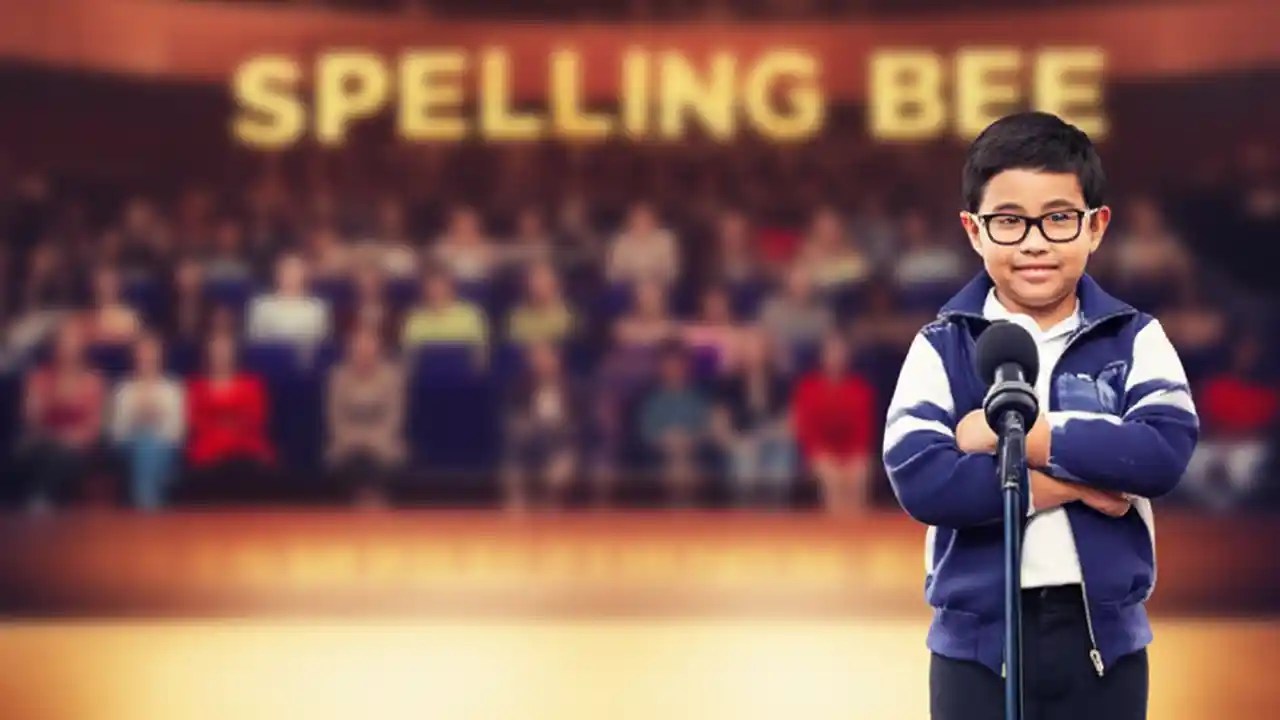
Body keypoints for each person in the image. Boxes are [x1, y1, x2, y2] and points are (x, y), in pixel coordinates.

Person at [882, 112, 1198, 719]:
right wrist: (1077, 485)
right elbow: (924, 481)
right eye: (1008, 221)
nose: (1034, 242)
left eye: (1058, 218)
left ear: (1096, 226)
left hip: (1105, 645)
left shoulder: (1136, 338)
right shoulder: (941, 345)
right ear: (973, 230)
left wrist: (1020, 437)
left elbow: (1160, 455)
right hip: (975, 649)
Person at [18, 321, 106, 512]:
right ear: (55, 346)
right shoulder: (40, 377)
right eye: (63, 342)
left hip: (77, 447)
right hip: (44, 441)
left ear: (81, 347)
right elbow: (31, 420)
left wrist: (68, 438)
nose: (67, 347)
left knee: (59, 455)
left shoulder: (91, 380)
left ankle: (41, 501)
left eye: (72, 342)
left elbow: (93, 428)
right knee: (26, 452)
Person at [184, 333, 275, 502]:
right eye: (217, 352)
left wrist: (226, 425)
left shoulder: (252, 384)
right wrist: (224, 427)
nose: (221, 357)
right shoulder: (195, 386)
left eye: (225, 352)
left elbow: (257, 417)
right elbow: (195, 420)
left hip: (246, 445)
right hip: (208, 447)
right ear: (208, 355)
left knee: (247, 468)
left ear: (234, 354)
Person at [792, 334, 875, 513]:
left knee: (859, 473)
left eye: (840, 352)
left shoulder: (859, 388)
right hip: (820, 452)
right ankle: (835, 525)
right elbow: (806, 428)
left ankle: (857, 525)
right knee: (831, 477)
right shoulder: (808, 387)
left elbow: (863, 429)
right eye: (831, 352)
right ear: (823, 356)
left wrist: (852, 457)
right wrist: (824, 455)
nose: (836, 357)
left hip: (852, 451)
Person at [711, 332, 795, 508]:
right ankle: (746, 515)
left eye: (759, 347)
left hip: (772, 436)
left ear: (767, 351)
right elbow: (719, 425)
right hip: (742, 438)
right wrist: (736, 442)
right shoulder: (728, 382)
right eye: (749, 347)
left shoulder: (781, 381)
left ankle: (776, 514)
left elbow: (789, 422)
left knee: (782, 456)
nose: (754, 352)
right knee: (746, 460)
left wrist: (767, 435)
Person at [326, 327, 406, 508]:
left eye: (368, 351)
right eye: (358, 351)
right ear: (350, 352)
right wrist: (354, 439)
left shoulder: (392, 376)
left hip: (383, 440)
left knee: (381, 460)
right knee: (350, 460)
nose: (363, 355)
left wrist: (372, 440)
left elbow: (394, 417)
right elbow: (335, 419)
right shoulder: (337, 377)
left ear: (378, 352)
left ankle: (374, 505)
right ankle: (360, 505)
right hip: (347, 440)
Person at [501, 342, 586, 510]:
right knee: (512, 454)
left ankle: (551, 508)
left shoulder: (574, 387)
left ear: (557, 360)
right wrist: (524, 425)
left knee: (559, 472)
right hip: (528, 443)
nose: (542, 363)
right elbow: (511, 416)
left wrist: (561, 428)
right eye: (536, 359)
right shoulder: (520, 386)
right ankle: (516, 508)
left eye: (546, 358)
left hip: (562, 443)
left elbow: (581, 423)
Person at [111, 334, 185, 511]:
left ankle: (144, 506)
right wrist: (138, 420)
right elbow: (116, 434)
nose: (146, 359)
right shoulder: (124, 390)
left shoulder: (171, 389)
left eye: (151, 354)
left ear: (160, 357)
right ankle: (150, 507)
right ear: (134, 357)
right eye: (142, 354)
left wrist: (154, 425)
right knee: (145, 445)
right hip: (129, 448)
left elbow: (177, 433)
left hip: (165, 448)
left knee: (149, 446)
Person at [638, 343, 714, 506]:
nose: (673, 370)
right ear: (660, 368)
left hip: (692, 453)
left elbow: (707, 430)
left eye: (677, 365)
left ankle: (687, 510)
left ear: (686, 367)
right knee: (675, 466)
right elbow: (646, 433)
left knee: (685, 466)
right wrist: (666, 440)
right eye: (668, 365)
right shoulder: (652, 401)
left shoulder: (698, 399)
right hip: (662, 455)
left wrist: (689, 439)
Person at [246, 253, 331, 344]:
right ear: (277, 274)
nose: (290, 275)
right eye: (286, 270)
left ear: (305, 274)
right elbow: (254, 342)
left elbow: (321, 343)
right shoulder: (261, 306)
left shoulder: (317, 308)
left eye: (295, 271)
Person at [605, 201, 680, 287]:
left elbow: (672, 270)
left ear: (654, 220)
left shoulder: (666, 239)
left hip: (660, 286)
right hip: (628, 287)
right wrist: (636, 281)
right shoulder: (620, 242)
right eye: (637, 218)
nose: (642, 222)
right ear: (630, 221)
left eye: (646, 218)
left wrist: (654, 280)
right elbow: (612, 273)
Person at [506, 262, 576, 346]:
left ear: (555, 283)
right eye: (535, 281)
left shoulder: (568, 315)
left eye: (545, 280)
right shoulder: (518, 318)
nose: (539, 285)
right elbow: (516, 346)